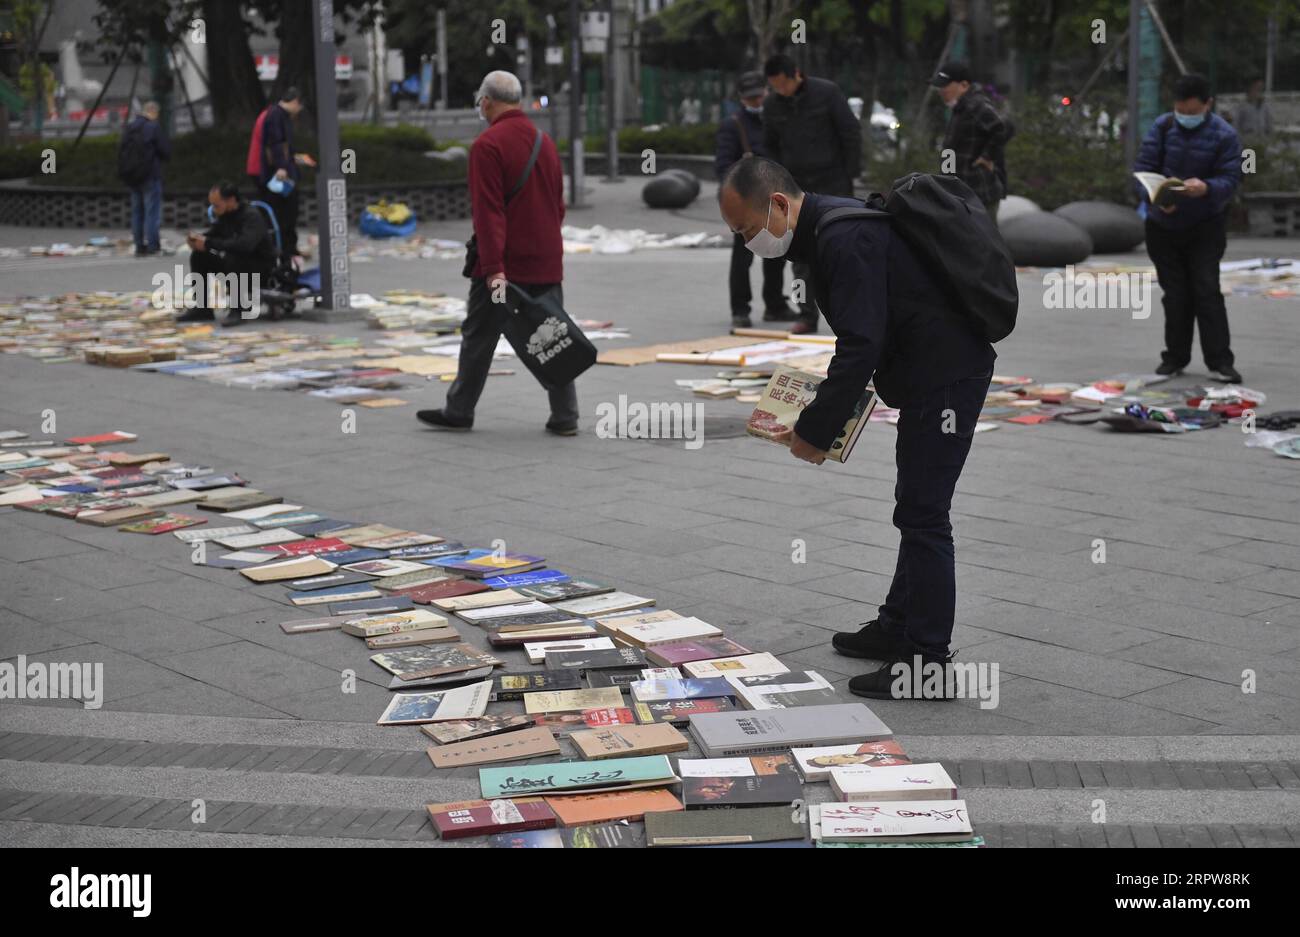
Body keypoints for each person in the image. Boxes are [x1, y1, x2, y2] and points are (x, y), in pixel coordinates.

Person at [718, 157, 995, 701]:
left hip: (947, 375)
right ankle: (899, 624)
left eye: (746, 231)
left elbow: (860, 346)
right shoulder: (829, 226)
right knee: (914, 506)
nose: (748, 243)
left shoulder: (843, 238)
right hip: (930, 370)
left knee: (924, 514)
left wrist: (815, 431)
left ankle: (927, 664)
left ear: (777, 205)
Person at [416, 70, 578, 436]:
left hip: (504, 266)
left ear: (487, 100)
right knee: (552, 334)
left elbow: (488, 214)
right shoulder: (545, 141)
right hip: (547, 261)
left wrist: (492, 269)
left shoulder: (487, 146)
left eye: (480, 101)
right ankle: (566, 415)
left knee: (478, 337)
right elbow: (559, 207)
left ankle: (459, 410)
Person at [1134, 72, 1244, 384]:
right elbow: (1143, 170)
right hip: (1163, 226)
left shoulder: (1224, 135)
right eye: (1181, 111)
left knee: (1206, 290)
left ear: (1208, 105)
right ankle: (1175, 358)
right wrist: (1156, 198)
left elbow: (1231, 179)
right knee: (1176, 293)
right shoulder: (1163, 126)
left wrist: (1207, 187)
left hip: (1205, 226)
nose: (1185, 117)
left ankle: (1220, 361)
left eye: (1192, 113)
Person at [762, 54, 861, 334]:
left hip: (833, 182)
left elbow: (850, 132)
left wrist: (849, 174)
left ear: (796, 75)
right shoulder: (772, 104)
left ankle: (853, 314)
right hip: (796, 188)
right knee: (800, 254)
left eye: (783, 85)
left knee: (842, 248)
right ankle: (807, 315)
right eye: (774, 86)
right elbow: (769, 145)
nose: (780, 91)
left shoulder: (826, 92)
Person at [715, 70, 796, 330]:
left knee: (776, 252)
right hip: (746, 203)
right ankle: (740, 309)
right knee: (743, 257)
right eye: (750, 99)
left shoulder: (777, 119)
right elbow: (723, 167)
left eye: (759, 97)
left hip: (775, 200)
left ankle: (775, 306)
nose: (756, 102)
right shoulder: (734, 124)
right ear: (741, 98)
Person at [179, 182, 274, 327]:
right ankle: (202, 308)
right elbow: (212, 235)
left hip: (258, 271)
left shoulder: (251, 216)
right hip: (235, 269)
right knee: (199, 256)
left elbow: (245, 245)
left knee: (235, 254)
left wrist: (209, 242)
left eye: (217, 205)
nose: (214, 210)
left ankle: (238, 309)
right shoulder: (226, 215)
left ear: (230, 200)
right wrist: (197, 239)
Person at [930, 61, 1009, 223]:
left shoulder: (976, 105)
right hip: (961, 193)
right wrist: (945, 180)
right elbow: (950, 148)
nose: (941, 91)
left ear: (963, 85)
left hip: (979, 192)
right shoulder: (959, 108)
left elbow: (1001, 128)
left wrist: (987, 157)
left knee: (984, 242)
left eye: (945, 85)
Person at [246, 87, 316, 263]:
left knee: (282, 210)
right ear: (295, 102)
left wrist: (293, 158)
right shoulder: (276, 116)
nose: (298, 112)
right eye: (299, 107)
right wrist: (282, 167)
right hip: (270, 172)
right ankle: (284, 250)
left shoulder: (274, 114)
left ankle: (287, 248)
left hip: (269, 169)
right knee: (284, 211)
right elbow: (275, 143)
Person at [122, 101, 170, 256]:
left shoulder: (129, 128)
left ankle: (138, 246)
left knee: (137, 211)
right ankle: (153, 246)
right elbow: (165, 151)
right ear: (154, 112)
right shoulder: (153, 127)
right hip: (150, 175)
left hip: (133, 176)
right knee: (152, 212)